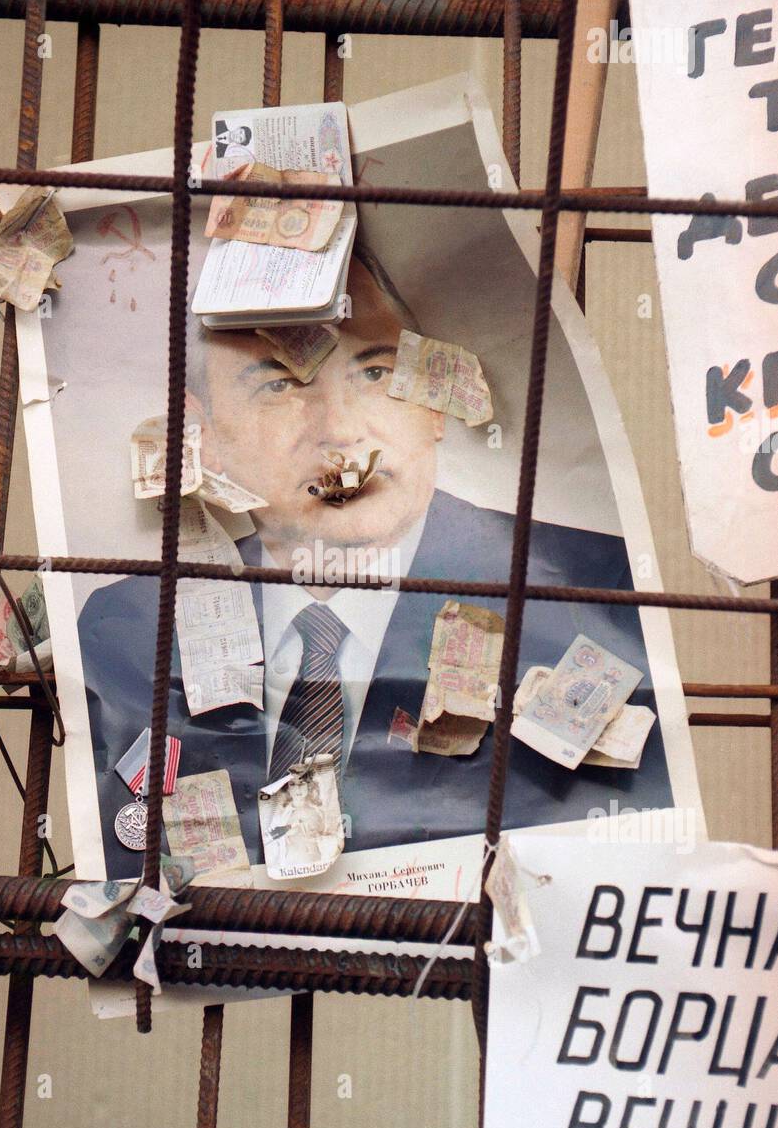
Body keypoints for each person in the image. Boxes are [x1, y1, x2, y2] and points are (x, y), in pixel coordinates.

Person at [78, 243, 674, 877]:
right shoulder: (127, 626)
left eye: (375, 372)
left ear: (435, 401)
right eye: (279, 384)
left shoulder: (597, 590)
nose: (340, 430)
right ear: (204, 437)